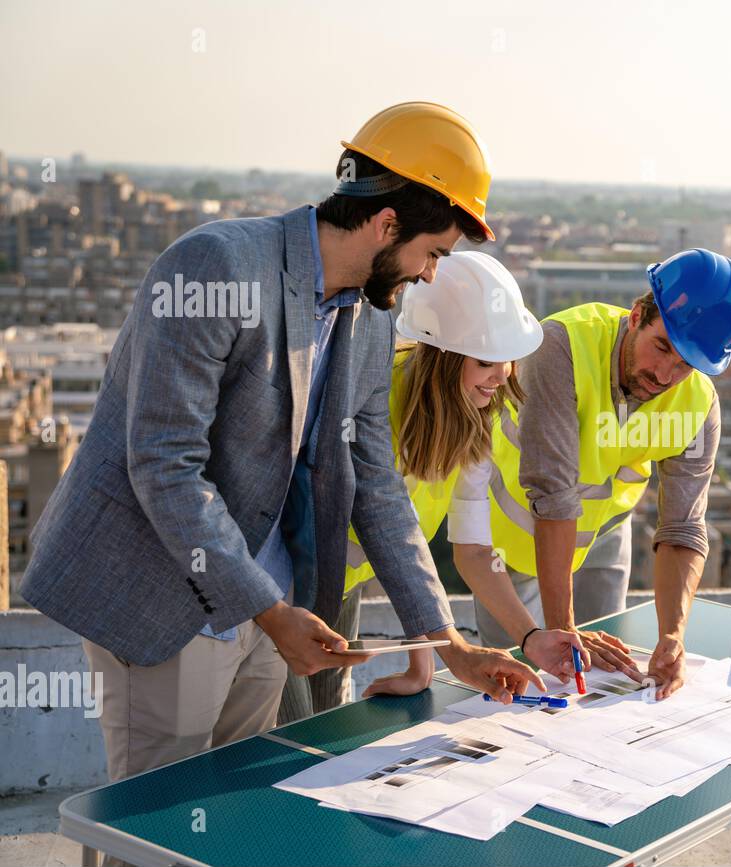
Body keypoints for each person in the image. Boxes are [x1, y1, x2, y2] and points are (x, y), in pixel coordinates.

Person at [21, 101, 545, 786]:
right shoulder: (216, 268)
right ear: (387, 224)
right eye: (432, 253)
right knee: (152, 826)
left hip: (270, 608)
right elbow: (164, 467)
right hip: (167, 597)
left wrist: (449, 644)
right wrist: (268, 610)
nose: (429, 275)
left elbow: (377, 487)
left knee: (237, 815)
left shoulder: (369, 316)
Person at [279, 252, 640, 720]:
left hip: (340, 590)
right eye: (488, 359)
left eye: (508, 359)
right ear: (441, 356)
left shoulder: (476, 418)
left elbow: (467, 550)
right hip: (283, 592)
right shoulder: (374, 404)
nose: (503, 375)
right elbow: (387, 527)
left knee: (322, 724)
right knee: (285, 729)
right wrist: (436, 651)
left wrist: (526, 639)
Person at [477, 248, 731, 699]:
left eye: (686, 364)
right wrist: (563, 628)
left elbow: (683, 526)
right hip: (512, 544)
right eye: (661, 347)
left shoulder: (699, 405)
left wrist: (672, 635)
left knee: (606, 685)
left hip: (603, 536)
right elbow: (554, 495)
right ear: (637, 315)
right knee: (518, 693)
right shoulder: (560, 347)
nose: (664, 375)